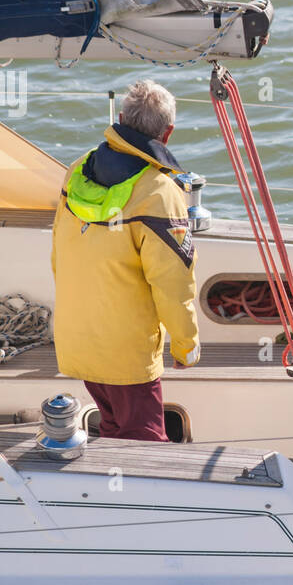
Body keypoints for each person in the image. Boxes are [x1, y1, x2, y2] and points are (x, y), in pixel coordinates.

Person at [51, 79, 200, 442]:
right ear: (168, 133)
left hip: (78, 341)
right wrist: (186, 346)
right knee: (145, 447)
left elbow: (58, 256)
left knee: (117, 428)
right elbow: (172, 284)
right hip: (126, 356)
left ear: (120, 117)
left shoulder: (79, 169)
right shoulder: (160, 192)